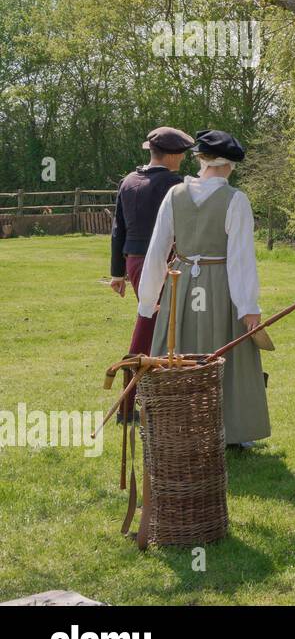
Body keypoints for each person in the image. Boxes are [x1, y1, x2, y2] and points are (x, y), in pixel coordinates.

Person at [137, 130, 270, 447]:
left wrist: (148, 300)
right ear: (228, 165)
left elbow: (157, 251)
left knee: (180, 351)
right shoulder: (235, 200)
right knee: (223, 354)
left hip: (181, 284)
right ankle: (229, 431)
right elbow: (240, 260)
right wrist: (248, 307)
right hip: (219, 286)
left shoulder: (174, 195)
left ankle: (177, 427)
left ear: (201, 160)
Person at [108, 127, 194, 421]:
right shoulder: (174, 184)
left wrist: (117, 274)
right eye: (180, 154)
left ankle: (155, 399)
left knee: (156, 326)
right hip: (163, 262)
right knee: (150, 328)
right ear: (170, 155)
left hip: (133, 261)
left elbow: (117, 230)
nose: (182, 159)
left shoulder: (128, 181)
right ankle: (128, 402)